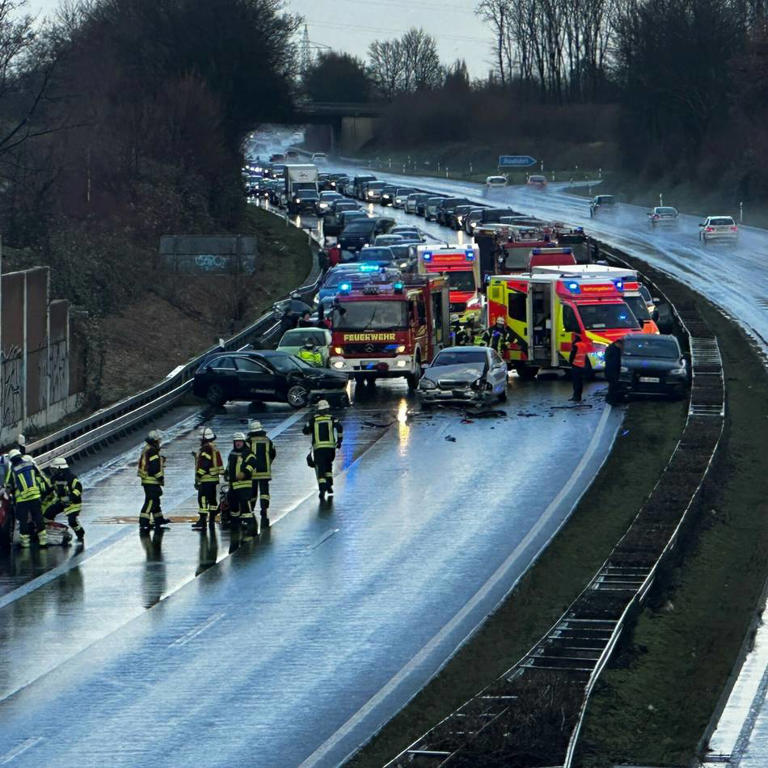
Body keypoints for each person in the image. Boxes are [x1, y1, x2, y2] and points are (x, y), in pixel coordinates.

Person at [303, 400, 343, 501]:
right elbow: (340, 428)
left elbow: (305, 430)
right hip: (330, 449)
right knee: (328, 467)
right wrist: (339, 441)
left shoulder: (313, 420)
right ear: (327, 409)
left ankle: (322, 490)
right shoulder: (332, 419)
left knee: (320, 468)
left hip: (319, 449)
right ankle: (329, 485)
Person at [7, 449, 46, 548]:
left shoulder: (13, 469)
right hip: (35, 497)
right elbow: (40, 476)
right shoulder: (30, 464)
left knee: (23, 521)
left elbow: (8, 485)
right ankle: (43, 542)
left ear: (11, 460)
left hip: (22, 499)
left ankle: (25, 544)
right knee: (38, 518)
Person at [224, 432, 257, 535]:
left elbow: (252, 463)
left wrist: (244, 473)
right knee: (233, 507)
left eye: (240, 441)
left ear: (243, 442)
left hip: (244, 485)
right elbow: (229, 466)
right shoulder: (232, 453)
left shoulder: (248, 453)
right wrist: (226, 474)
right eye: (236, 442)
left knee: (245, 506)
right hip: (233, 486)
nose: (238, 444)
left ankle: (249, 525)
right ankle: (235, 524)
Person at [45, 457, 85, 542]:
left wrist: (70, 497)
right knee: (48, 514)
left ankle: (80, 533)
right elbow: (49, 489)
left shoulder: (71, 478)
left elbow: (78, 489)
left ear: (60, 468)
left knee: (72, 521)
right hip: (61, 501)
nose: (53, 471)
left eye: (54, 469)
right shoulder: (54, 478)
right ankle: (51, 532)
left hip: (73, 503)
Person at [138, 430, 170, 533]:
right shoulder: (152, 451)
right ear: (155, 441)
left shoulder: (149, 449)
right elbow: (154, 467)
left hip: (148, 480)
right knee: (151, 501)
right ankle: (144, 521)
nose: (160, 442)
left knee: (155, 500)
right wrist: (160, 477)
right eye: (158, 440)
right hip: (151, 480)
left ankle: (158, 519)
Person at [192, 428, 223, 530]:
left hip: (206, 479)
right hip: (213, 478)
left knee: (203, 499)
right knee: (212, 500)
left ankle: (202, 520)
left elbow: (205, 463)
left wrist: (199, 476)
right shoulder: (214, 447)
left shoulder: (206, 449)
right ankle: (212, 519)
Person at [247, 420, 276, 531]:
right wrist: (268, 463)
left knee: (252, 492)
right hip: (265, 471)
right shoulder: (268, 440)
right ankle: (264, 508)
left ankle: (251, 508)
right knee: (264, 492)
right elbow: (273, 453)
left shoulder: (249, 441)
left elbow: (245, 455)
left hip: (253, 472)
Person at [568, 331, 589, 402]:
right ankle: (579, 397)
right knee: (580, 383)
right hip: (582, 366)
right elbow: (585, 356)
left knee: (576, 383)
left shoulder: (576, 345)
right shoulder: (583, 344)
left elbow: (572, 355)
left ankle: (575, 397)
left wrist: (570, 363)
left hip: (576, 366)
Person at [604, 338, 624, 404]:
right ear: (618, 343)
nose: (622, 346)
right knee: (613, 385)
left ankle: (612, 398)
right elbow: (611, 361)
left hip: (614, 370)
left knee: (614, 385)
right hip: (611, 370)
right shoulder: (611, 349)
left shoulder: (616, 349)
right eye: (621, 345)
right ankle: (611, 400)